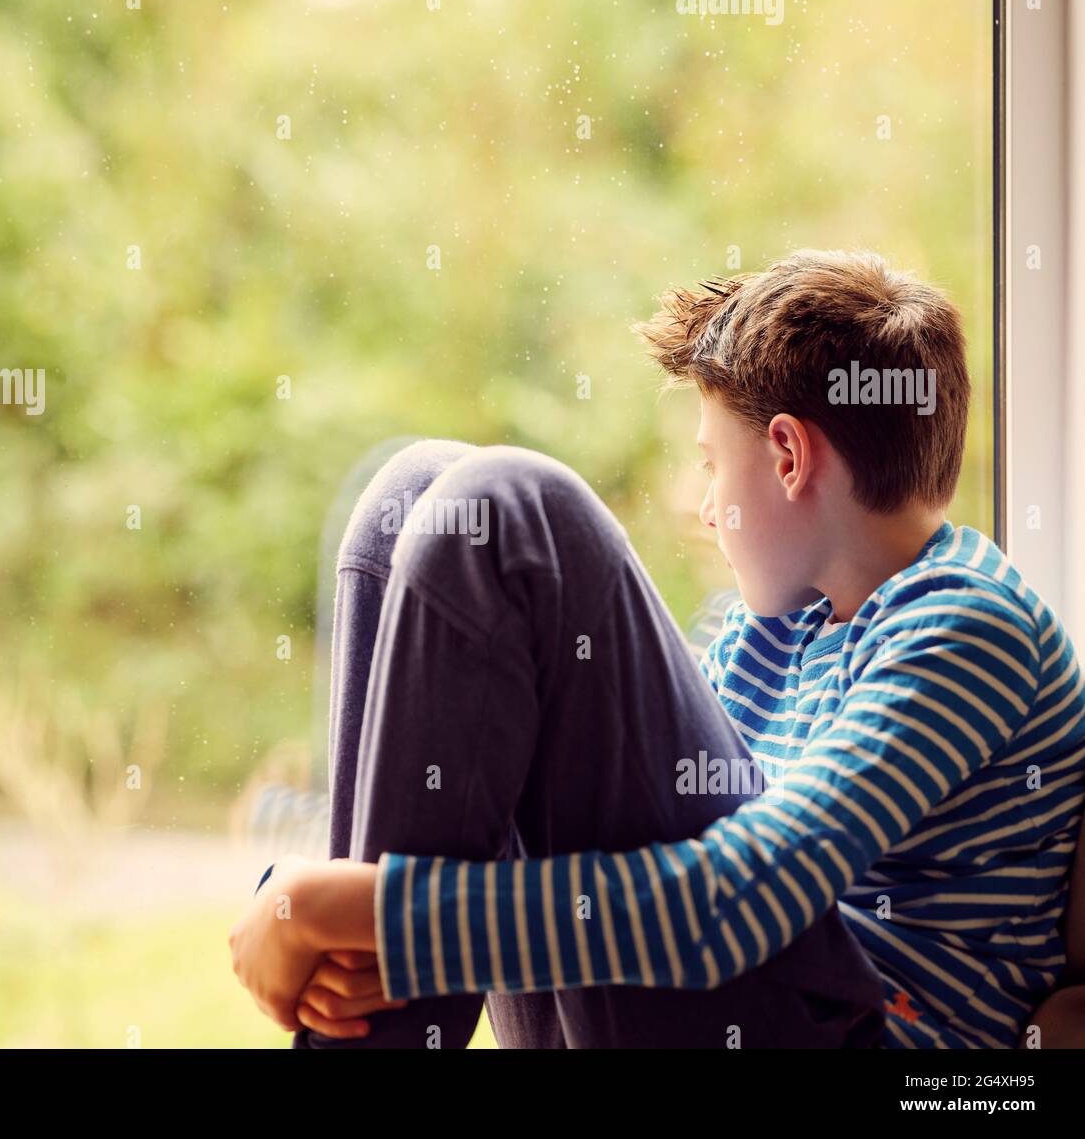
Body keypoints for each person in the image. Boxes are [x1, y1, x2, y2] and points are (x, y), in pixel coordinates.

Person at [230, 250, 1085, 1049]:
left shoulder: (968, 628)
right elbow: (595, 801)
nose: (706, 507)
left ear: (788, 455)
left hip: (845, 1030)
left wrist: (382, 919)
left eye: (713, 463)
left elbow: (738, 905)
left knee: (512, 508)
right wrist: (323, 907)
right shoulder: (775, 622)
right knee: (411, 494)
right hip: (724, 999)